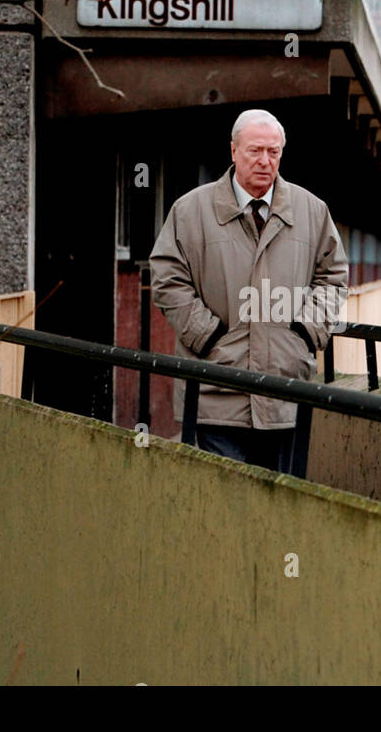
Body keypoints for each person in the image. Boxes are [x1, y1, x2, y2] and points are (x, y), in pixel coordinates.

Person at [149, 109, 349, 472]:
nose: (265, 161)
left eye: (273, 152)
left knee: (278, 502)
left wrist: (305, 332)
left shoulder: (312, 211)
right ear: (233, 151)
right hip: (216, 386)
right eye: (255, 151)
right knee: (225, 501)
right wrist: (206, 335)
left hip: (286, 389)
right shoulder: (190, 210)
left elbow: (334, 278)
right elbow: (167, 278)